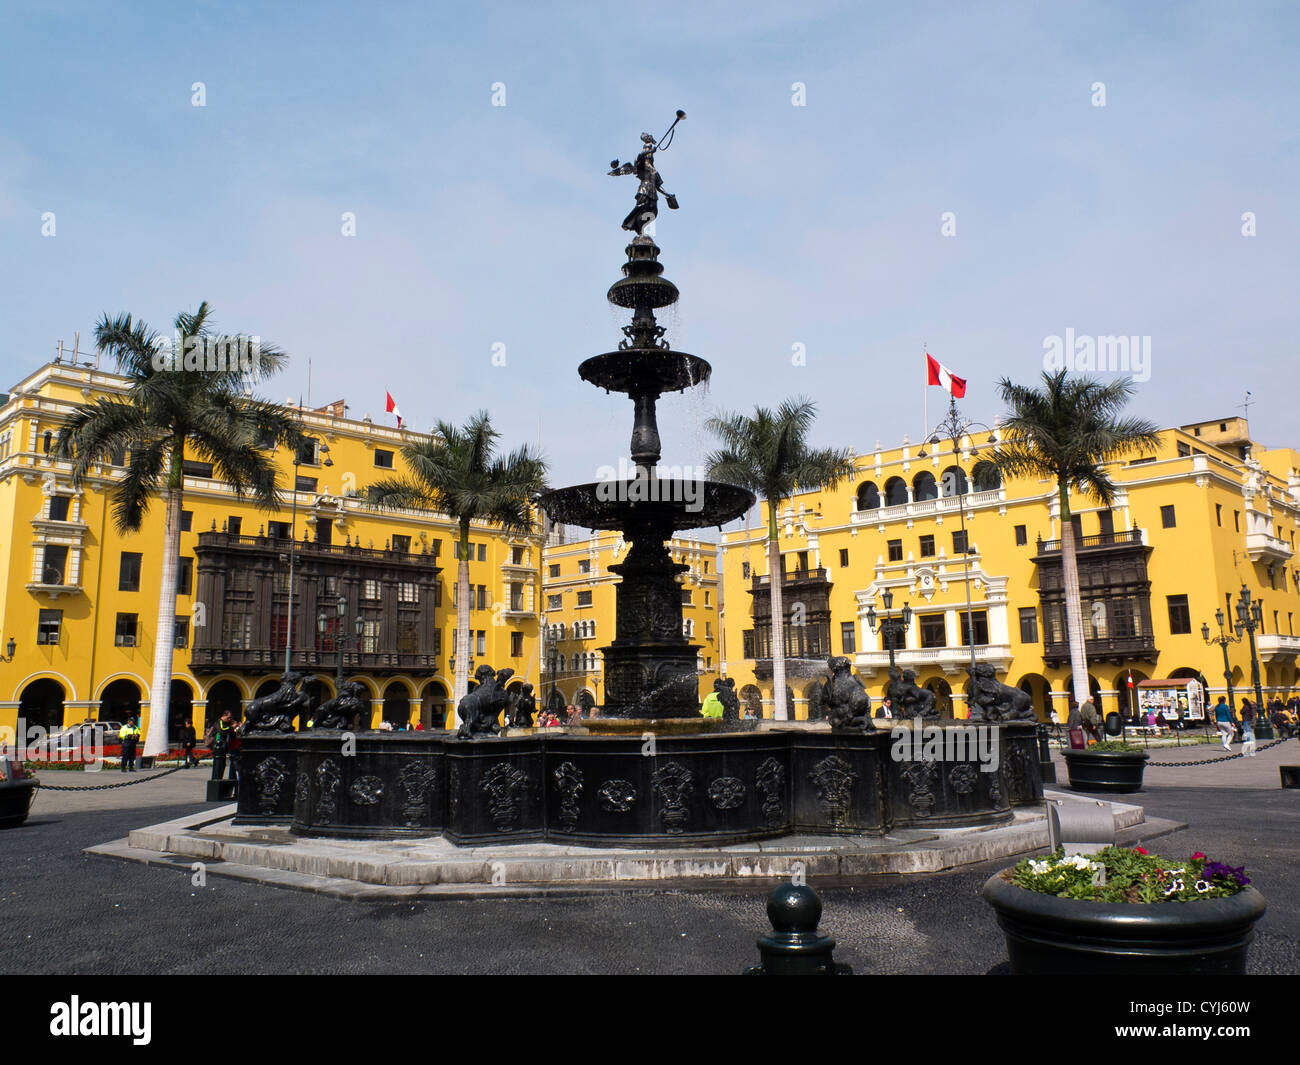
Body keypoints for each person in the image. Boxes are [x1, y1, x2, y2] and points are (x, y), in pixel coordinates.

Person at [211, 710, 237, 782]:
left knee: (222, 765)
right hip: (218, 746)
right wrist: (231, 727)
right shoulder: (219, 722)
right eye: (228, 717)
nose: (229, 719)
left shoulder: (227, 723)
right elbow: (221, 730)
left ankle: (219, 779)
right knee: (218, 766)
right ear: (224, 716)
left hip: (223, 747)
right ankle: (216, 780)